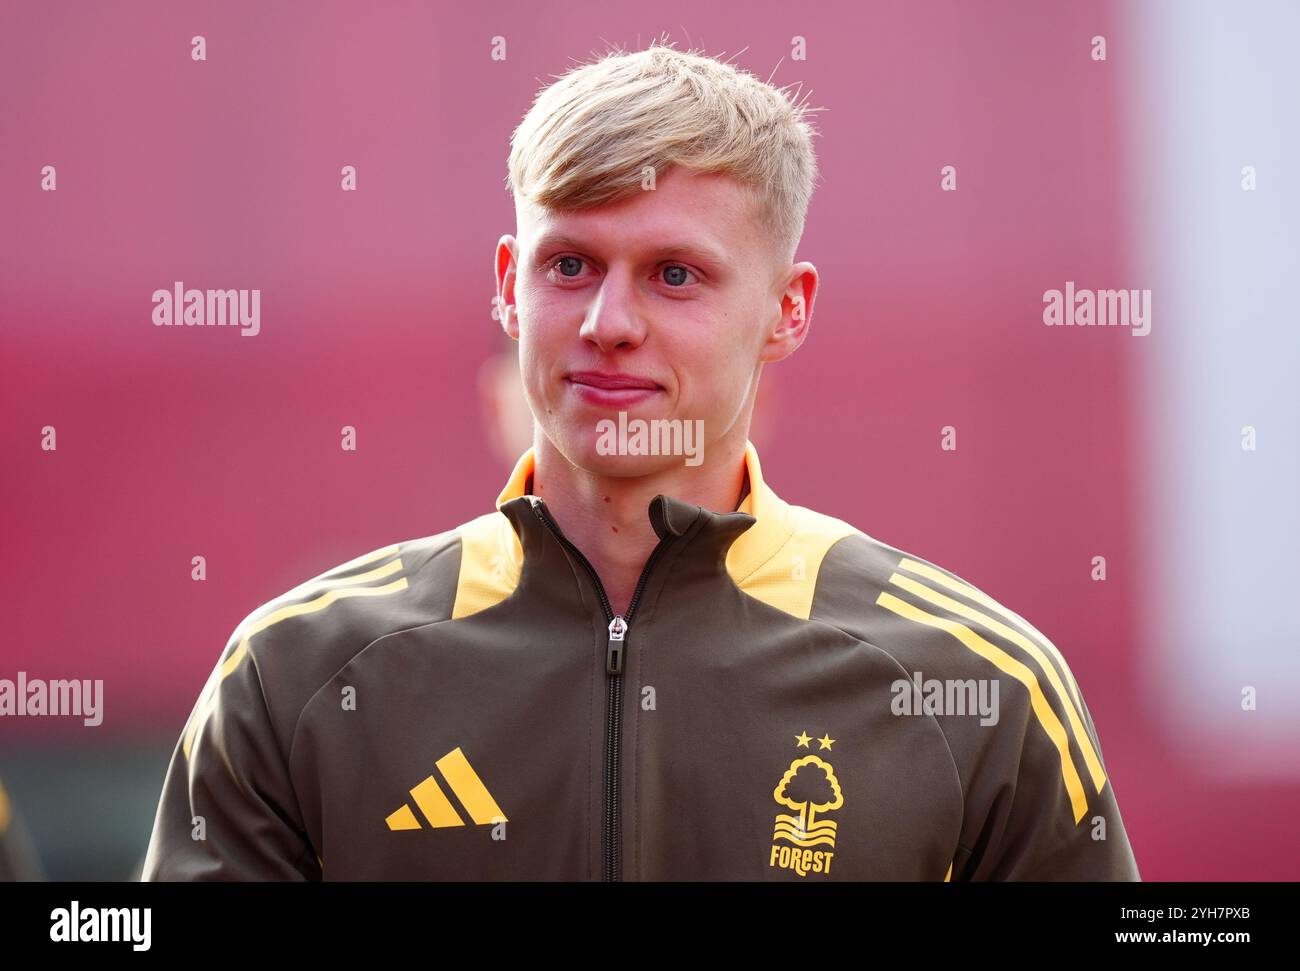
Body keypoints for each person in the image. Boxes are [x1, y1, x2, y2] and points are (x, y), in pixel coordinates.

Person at [142, 42, 1139, 881]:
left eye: (675, 274)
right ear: (506, 283)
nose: (609, 323)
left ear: (787, 309)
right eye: (568, 264)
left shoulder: (978, 683)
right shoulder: (295, 673)